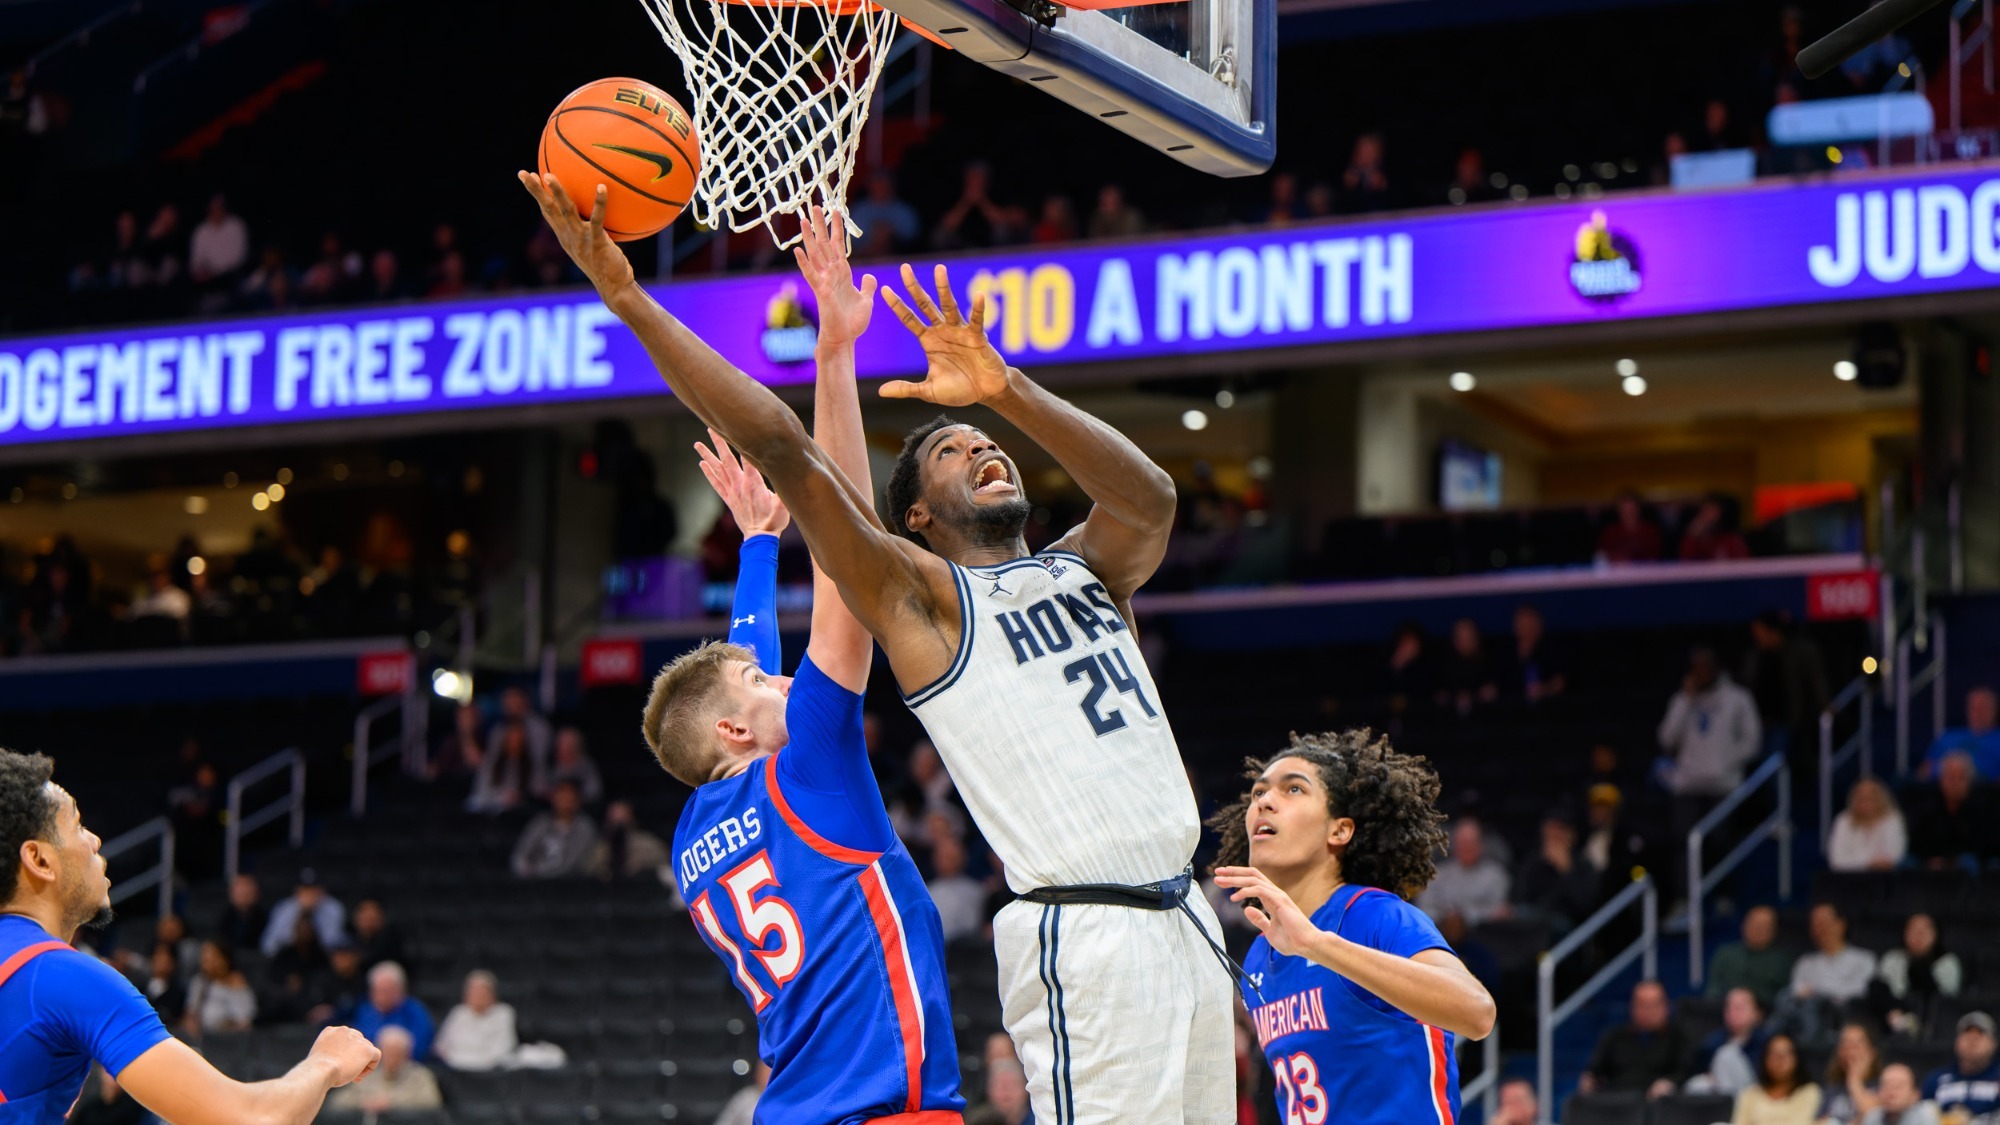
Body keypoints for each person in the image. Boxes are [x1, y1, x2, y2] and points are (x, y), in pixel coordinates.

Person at [525, 161, 1229, 1123]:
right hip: (1031, 980)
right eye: (948, 451)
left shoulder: (711, 811)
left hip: (1180, 920)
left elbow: (1151, 500)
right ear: (915, 524)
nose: (979, 446)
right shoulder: (905, 626)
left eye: (981, 439)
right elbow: (798, 469)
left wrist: (1002, 391)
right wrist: (635, 300)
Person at [629, 208, 964, 1122]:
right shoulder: (805, 762)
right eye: (767, 682)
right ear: (737, 731)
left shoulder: (698, 833)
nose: (784, 676)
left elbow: (740, 680)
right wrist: (833, 355)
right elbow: (848, 542)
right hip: (887, 1107)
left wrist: (754, 548)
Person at [0, 748, 379, 1124]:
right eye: (79, 825)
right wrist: (326, 1062)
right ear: (39, 859)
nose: (95, 840)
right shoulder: (66, 977)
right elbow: (253, 1120)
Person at [1207, 730, 1495, 1124]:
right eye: (1258, 793)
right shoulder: (1260, 954)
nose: (1264, 802)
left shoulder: (1372, 914)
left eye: (1293, 789)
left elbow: (1477, 1013)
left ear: (1339, 830)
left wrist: (1317, 945)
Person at [1660, 647, 1763, 897]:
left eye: (1706, 667)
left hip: (1723, 785)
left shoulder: (1738, 698)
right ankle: (1686, 900)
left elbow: (1752, 740)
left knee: (1720, 842)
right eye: (1696, 668)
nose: (1701, 673)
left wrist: (1725, 762)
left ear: (1716, 668)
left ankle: (1723, 897)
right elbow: (1666, 739)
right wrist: (1686, 700)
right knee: (1683, 844)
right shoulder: (1681, 699)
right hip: (1687, 785)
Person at [1740, 611, 1827, 761]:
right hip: (1759, 722)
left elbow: (1816, 683)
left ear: (1771, 631)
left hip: (1787, 721)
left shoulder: (1797, 652)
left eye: (1759, 631)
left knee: (1777, 763)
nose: (1756, 636)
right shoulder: (1755, 657)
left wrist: (1825, 704)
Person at [1577, 980, 1689, 1097]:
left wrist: (1670, 1083)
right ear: (1632, 1006)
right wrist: (1589, 1079)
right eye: (1642, 1005)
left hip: (1659, 1105)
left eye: (1652, 1005)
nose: (1647, 1011)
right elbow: (1594, 1071)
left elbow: (1685, 1072)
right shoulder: (1614, 1037)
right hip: (1618, 1102)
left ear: (1665, 1007)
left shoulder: (1679, 1038)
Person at [1869, 913, 1964, 1039]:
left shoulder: (1947, 961)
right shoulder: (1892, 958)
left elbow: (1947, 995)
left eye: (1924, 930)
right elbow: (1881, 989)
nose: (1918, 935)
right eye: (1913, 930)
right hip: (1893, 1012)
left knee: (1920, 971)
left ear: (1936, 933)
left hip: (1929, 1014)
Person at [1906, 752, 1996, 869]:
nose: (1955, 783)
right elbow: (1916, 842)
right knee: (1907, 863)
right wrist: (1931, 858)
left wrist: (1951, 860)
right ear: (1941, 780)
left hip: (1972, 862)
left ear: (1970, 781)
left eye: (1960, 778)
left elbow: (1987, 845)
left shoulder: (1984, 806)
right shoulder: (1927, 806)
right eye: (1950, 777)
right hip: (1931, 860)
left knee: (1968, 861)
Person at [1418, 817, 1511, 926]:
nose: (1466, 847)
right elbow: (1423, 909)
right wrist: (1446, 919)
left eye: (1470, 843)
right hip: (1441, 933)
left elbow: (1500, 912)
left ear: (1481, 845)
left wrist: (1465, 917)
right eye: (1462, 842)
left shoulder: (1496, 876)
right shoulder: (1437, 874)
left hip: (1482, 936)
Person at [326, 1025, 441, 1113]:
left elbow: (432, 1102)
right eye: (388, 1053)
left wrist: (392, 1103)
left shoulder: (420, 1075)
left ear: (407, 1054)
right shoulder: (367, 1073)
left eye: (397, 1053)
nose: (392, 1058)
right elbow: (338, 1101)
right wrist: (365, 1103)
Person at [1515, 814, 1598, 932]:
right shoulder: (1534, 862)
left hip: (1567, 925)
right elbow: (1520, 896)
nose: (1552, 840)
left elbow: (1584, 906)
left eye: (1557, 835)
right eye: (1549, 835)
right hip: (1531, 920)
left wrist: (1566, 871)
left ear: (1570, 836)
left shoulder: (1583, 865)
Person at [1685, 987, 1768, 1097]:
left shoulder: (1766, 1042)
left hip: (1755, 1093)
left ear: (1756, 1013)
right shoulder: (1712, 1043)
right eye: (1730, 1007)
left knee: (1726, 1055)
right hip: (1721, 1091)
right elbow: (1699, 1069)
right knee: (1696, 1085)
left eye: (1741, 1007)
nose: (1734, 1012)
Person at [509, 780, 599, 878]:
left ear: (577, 801)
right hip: (534, 881)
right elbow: (522, 852)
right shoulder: (541, 822)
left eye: (569, 797)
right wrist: (525, 870)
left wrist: (541, 874)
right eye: (561, 796)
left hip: (569, 884)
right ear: (554, 798)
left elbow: (571, 864)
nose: (565, 801)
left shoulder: (584, 827)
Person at [433, 971, 518, 1072]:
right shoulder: (458, 1013)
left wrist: (467, 1060)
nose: (477, 996)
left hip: (490, 1072)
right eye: (473, 991)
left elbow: (503, 1050)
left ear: (492, 995)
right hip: (456, 1070)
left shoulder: (503, 1013)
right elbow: (441, 1046)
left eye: (482, 991)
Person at [1921, 1011, 2000, 1121]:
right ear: (1957, 1042)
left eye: (1979, 1036)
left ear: (1993, 1043)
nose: (1972, 1041)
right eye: (1967, 1036)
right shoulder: (1936, 1079)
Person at [350, 961, 435, 1061]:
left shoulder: (416, 1013)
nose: (380, 997)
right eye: (376, 991)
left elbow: (419, 1050)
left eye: (385, 991)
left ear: (399, 990)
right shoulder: (365, 1011)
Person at [1732, 1033, 1821, 1124]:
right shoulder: (1749, 1094)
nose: (1779, 1061)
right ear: (1764, 1059)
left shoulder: (1809, 1092)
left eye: (1785, 1054)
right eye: (1774, 1054)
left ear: (1797, 1059)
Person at [259, 869, 347, 958]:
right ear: (297, 891)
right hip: (290, 958)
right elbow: (268, 946)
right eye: (305, 890)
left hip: (323, 961)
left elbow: (334, 943)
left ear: (322, 891)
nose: (309, 895)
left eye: (313, 890)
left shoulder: (333, 908)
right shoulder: (284, 909)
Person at [1828, 778, 1908, 872]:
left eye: (1869, 797)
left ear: (1880, 798)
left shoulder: (1892, 818)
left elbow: (1893, 856)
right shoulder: (1843, 820)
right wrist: (1869, 862)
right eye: (1860, 797)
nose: (1864, 802)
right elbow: (1836, 860)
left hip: (1884, 877)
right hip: (1849, 879)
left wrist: (1858, 861)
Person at [1922, 688, 2000, 779]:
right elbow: (1924, 770)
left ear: (1994, 710)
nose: (1978, 712)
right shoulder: (1948, 737)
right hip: (1938, 788)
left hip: (1984, 789)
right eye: (1974, 708)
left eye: (1983, 707)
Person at [183, 940, 256, 1035]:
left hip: (229, 1039)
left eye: (212, 955)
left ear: (224, 959)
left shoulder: (236, 983)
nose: (206, 959)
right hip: (202, 1037)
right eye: (204, 955)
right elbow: (190, 1012)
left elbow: (244, 1022)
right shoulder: (200, 981)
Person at [588, 800, 671, 880]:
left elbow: (665, 859)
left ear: (632, 819)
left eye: (622, 819)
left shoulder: (647, 844)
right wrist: (603, 870)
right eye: (614, 821)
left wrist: (642, 866)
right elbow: (586, 870)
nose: (618, 824)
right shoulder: (601, 848)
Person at [926, 833, 987, 943]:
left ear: (963, 857)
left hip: (969, 950)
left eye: (952, 857)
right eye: (944, 857)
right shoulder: (927, 892)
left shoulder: (977, 890)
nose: (949, 861)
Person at [1821, 1022, 1883, 1124]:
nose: (1850, 1053)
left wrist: (1854, 1080)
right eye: (1845, 1046)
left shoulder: (1882, 1085)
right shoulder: (1831, 1089)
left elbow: (1873, 1116)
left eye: (1855, 1046)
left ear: (1872, 1053)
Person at [1506, 603, 1568, 704]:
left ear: (1539, 625)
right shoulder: (1506, 654)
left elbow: (1559, 682)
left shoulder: (1552, 651)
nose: (1525, 629)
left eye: (1530, 624)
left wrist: (1545, 690)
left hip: (1547, 707)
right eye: (1522, 624)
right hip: (1512, 708)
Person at [537, 727, 603, 804]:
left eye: (568, 746)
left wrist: (573, 798)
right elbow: (537, 786)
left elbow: (594, 790)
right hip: (551, 808)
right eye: (561, 746)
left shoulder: (586, 765)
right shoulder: (550, 764)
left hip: (579, 808)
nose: (564, 750)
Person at [1863, 1063, 1939, 1125]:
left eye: (1898, 1087)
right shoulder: (1873, 1117)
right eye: (1885, 1086)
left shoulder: (1926, 1115)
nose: (1890, 1093)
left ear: (1915, 1094)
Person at [1599, 491, 1664, 563]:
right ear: (1618, 510)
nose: (1628, 514)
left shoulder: (1650, 531)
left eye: (1631, 510)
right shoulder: (1610, 532)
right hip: (1617, 572)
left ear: (1638, 509)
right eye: (1625, 510)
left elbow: (1654, 556)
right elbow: (1603, 556)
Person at [1680, 497, 1751, 562]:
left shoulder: (1732, 540)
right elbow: (1686, 561)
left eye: (1712, 511)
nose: (1707, 516)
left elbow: (1744, 564)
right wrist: (1693, 534)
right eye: (1705, 511)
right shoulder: (1697, 540)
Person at [350, 898, 405, 975]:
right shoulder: (349, 938)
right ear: (356, 919)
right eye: (365, 918)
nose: (368, 923)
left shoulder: (390, 941)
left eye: (372, 918)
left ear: (381, 919)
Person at [217, 872, 268, 953]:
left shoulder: (267, 918)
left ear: (257, 892)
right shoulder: (225, 917)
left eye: (247, 888)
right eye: (239, 890)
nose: (243, 893)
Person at [714, 1060, 771, 1125]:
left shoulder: (783, 1100)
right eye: (763, 1071)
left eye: (770, 1071)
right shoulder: (746, 1097)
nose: (766, 1076)